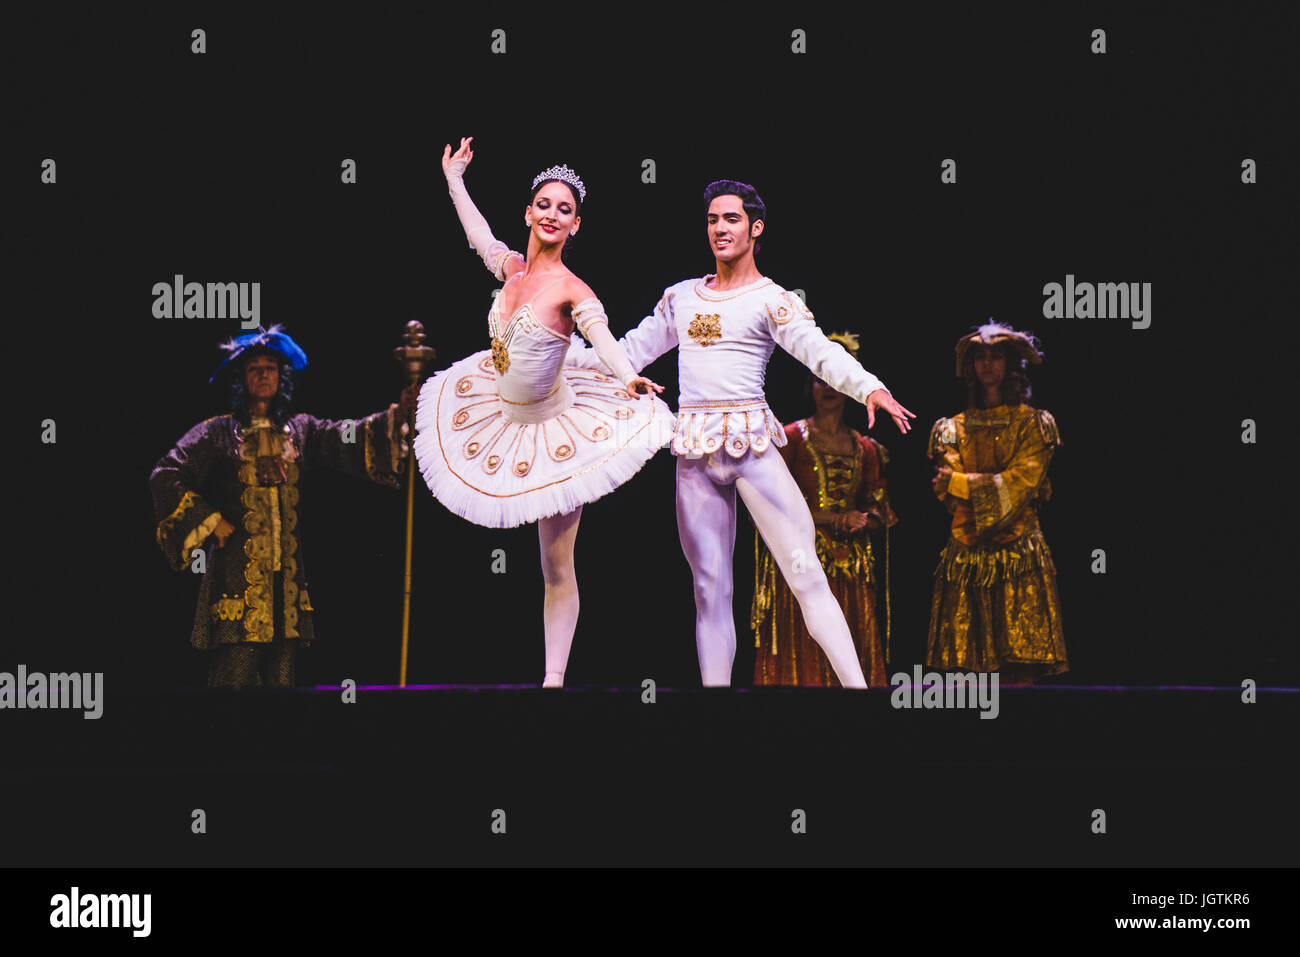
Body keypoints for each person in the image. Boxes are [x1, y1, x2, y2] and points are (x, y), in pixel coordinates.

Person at [566, 179, 914, 687]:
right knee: (709, 590)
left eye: (730, 219)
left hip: (752, 446)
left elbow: (819, 351)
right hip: (695, 452)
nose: (719, 228)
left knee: (805, 574)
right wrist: (556, 366)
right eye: (712, 220)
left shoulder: (771, 299)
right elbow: (626, 353)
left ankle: (859, 692)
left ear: (756, 227)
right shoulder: (681, 298)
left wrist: (871, 389)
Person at [412, 138, 675, 688]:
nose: (554, 215)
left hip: (557, 429)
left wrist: (627, 375)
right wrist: (454, 179)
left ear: (576, 225)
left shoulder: (570, 287)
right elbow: (478, 237)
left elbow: (599, 335)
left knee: (556, 565)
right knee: (519, 555)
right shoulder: (511, 272)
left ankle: (553, 680)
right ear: (529, 212)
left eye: (566, 210)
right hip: (498, 417)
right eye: (545, 205)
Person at [150, 326, 411, 688]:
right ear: (242, 378)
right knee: (233, 685)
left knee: (282, 691)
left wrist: (395, 419)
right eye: (254, 367)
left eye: (270, 367)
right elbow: (166, 472)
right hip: (237, 591)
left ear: (280, 376)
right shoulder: (220, 433)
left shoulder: (299, 432)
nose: (263, 374)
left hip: (285, 593)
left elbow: (345, 438)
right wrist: (209, 521)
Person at [750, 332, 898, 687]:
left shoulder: (867, 448)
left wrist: (865, 520)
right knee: (799, 642)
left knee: (850, 646)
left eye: (834, 380)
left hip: (852, 567)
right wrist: (834, 518)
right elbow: (770, 505)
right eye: (819, 379)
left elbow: (881, 510)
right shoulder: (789, 440)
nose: (827, 387)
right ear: (810, 386)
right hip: (800, 559)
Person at [926, 321, 1067, 683]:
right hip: (966, 552)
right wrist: (959, 485)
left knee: (1020, 665)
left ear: (1011, 364)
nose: (987, 364)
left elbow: (1021, 482)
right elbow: (943, 488)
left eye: (996, 356)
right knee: (968, 670)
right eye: (980, 357)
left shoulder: (1034, 425)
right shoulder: (952, 427)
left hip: (1019, 553)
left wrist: (961, 482)